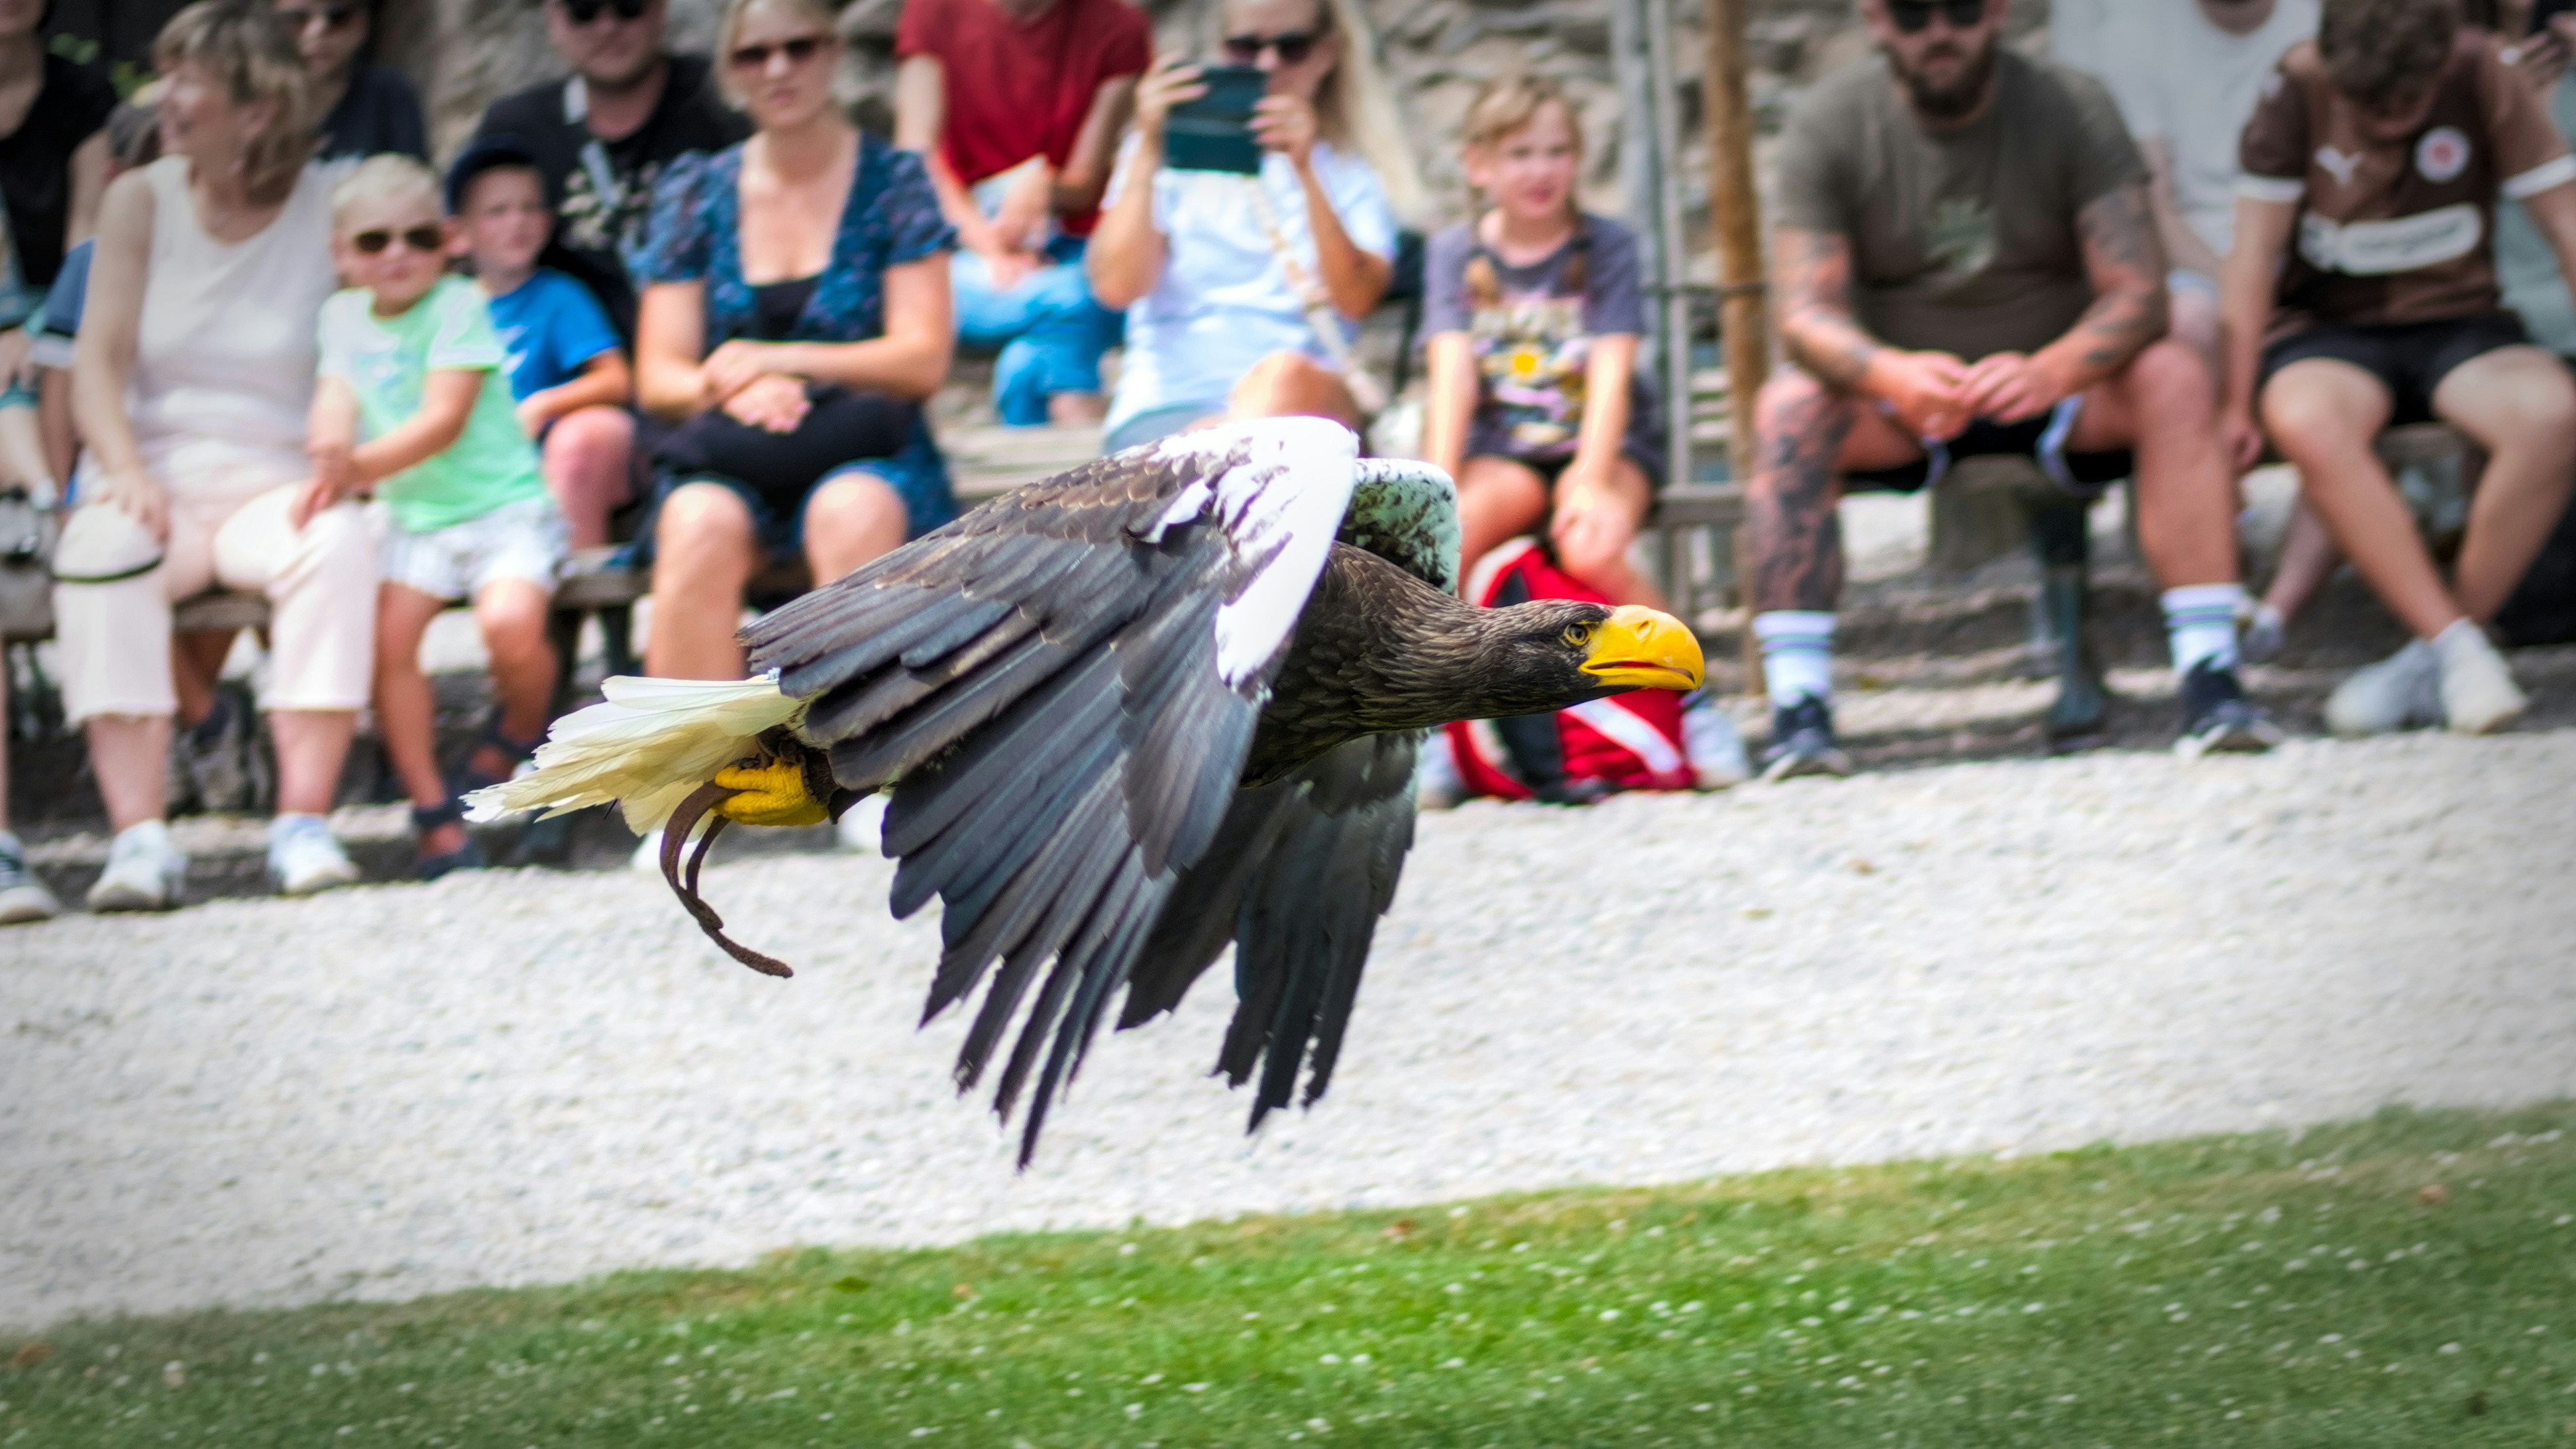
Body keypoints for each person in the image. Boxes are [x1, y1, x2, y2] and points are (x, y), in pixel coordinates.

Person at [1749, 0, 2278, 781]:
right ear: (1875, 18)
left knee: (2173, 372)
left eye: (1961, 9)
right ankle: (1799, 711)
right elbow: (1802, 314)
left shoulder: (2072, 103)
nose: (1939, 32)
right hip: (1908, 396)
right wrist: (1891, 371)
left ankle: (2212, 681)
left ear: (1996, 11)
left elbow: (2139, 291)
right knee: (1788, 406)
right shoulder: (1831, 119)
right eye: (1913, 12)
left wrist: (2052, 370)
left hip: (2062, 385)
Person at [55, 0, 376, 908]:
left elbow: (368, 334)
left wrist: (342, 436)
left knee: (339, 545)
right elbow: (96, 361)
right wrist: (118, 466)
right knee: (96, 551)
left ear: (258, 108)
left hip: (276, 483)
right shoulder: (139, 199)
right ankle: (140, 841)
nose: (166, 96)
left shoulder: (331, 204)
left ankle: (303, 824)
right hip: (156, 476)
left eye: (187, 78)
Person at [2224, 0, 2576, 735]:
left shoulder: (2484, 69)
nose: (2386, 122)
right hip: (2330, 327)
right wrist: (2234, 402)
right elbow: (2253, 256)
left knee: (2554, 414)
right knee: (2306, 419)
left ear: (2442, 62)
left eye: (2406, 104)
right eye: (2365, 105)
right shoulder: (2296, 82)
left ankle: (2432, 658)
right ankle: (2457, 651)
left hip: (2460, 319)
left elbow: (2565, 220)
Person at [631, 0, 956, 686]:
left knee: (852, 511)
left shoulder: (893, 180)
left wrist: (783, 360)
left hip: (868, 448)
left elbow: (922, 358)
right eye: (755, 53)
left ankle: (855, 769)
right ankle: (695, 780)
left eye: (799, 47)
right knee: (695, 523)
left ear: (834, 53)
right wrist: (735, 387)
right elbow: (660, 376)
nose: (778, 68)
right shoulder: (696, 190)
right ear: (730, 70)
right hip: (735, 451)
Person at [305, 157, 566, 877]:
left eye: (418, 237)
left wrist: (354, 469)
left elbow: (442, 420)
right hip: (415, 515)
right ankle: (430, 809)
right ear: (342, 255)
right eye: (373, 241)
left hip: (503, 506)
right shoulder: (341, 314)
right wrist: (328, 452)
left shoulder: (457, 303)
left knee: (511, 626)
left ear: (449, 241)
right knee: (389, 645)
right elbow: (337, 392)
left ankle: (520, 729)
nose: (397, 255)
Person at [2066, 1, 2337, 663]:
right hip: (2194, 261)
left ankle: (2279, 607)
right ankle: (2221, 553)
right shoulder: (2133, 33)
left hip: (2319, 259)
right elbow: (2152, 209)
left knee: (2356, 364)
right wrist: (2241, 288)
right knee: (2187, 328)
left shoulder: (2321, 22)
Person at [1087, 0, 1419, 451]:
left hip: (1306, 402)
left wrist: (1305, 171)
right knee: (1227, 437)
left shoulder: (1351, 166)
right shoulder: (1165, 154)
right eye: (1245, 48)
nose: (1268, 65)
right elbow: (1117, 286)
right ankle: (1226, 462)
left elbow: (1356, 298)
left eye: (1292, 47)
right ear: (1221, 51)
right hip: (1169, 405)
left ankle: (1222, 463)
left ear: (1326, 54)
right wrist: (1147, 143)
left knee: (1281, 378)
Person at [1424, 72, 1664, 610]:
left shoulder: (1607, 245)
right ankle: (1462, 682)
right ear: (1478, 165)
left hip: (1607, 446)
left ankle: (1685, 680)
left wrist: (1592, 479)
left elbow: (1611, 372)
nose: (1541, 170)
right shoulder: (1455, 252)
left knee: (1591, 548)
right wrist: (1434, 493)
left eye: (1557, 152)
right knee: (1442, 546)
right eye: (1520, 154)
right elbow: (1452, 380)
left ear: (1577, 160)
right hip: (1505, 450)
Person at [892, 0, 1145, 427]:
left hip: (1070, 251)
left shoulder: (1119, 25)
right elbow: (917, 157)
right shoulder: (934, 11)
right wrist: (988, 244)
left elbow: (1085, 183)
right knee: (1068, 302)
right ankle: (1076, 423)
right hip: (959, 247)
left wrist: (1044, 187)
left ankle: (1037, 416)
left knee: (1049, 339)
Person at [470, 0, 750, 343]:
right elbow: (475, 270)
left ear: (661, 9)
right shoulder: (513, 131)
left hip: (718, 366)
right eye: (583, 12)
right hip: (575, 378)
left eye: (628, 8)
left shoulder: (726, 99)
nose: (607, 28)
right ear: (552, 18)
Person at [447, 135, 635, 549]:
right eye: (497, 212)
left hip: (534, 465)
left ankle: (568, 577)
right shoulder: (446, 307)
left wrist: (544, 404)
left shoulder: (559, 296)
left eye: (530, 208)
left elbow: (615, 380)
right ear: (458, 234)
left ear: (549, 222)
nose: (518, 222)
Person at [0, 0, 115, 504]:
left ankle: (46, 499)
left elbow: (88, 230)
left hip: (61, 297)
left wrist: (33, 329)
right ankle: (45, 494)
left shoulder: (81, 92)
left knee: (46, 361)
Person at [271, 0, 425, 164]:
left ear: (363, 21)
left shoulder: (390, 94)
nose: (318, 30)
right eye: (297, 18)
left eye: (339, 16)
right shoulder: (255, 98)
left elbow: (413, 180)